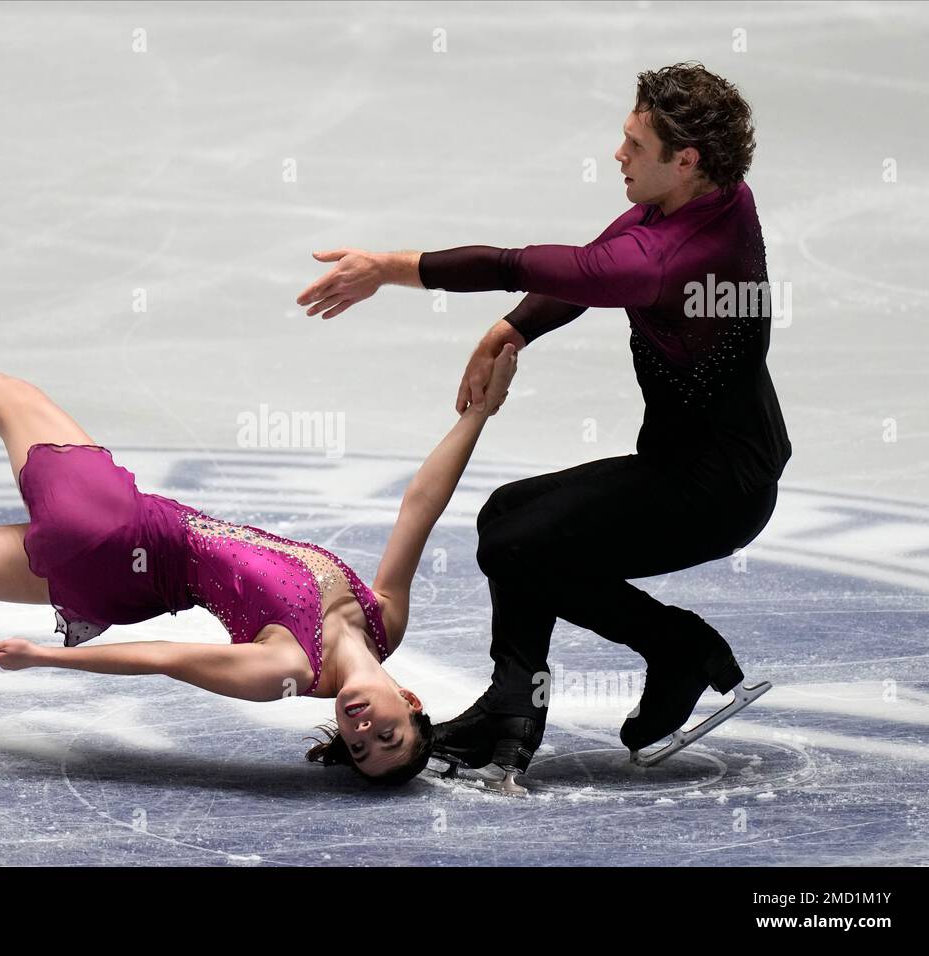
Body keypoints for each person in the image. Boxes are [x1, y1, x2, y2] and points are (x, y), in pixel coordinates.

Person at [0, 237, 519, 787]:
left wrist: (47, 660)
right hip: (129, 575)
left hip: (128, 534)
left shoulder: (287, 671)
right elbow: (420, 505)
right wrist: (474, 420)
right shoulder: (386, 619)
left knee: (16, 400)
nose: (362, 729)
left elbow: (165, 661)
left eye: (359, 749)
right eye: (387, 734)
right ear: (410, 704)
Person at [296, 62, 791, 780]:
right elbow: (593, 269)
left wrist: (386, 268)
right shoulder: (713, 199)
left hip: (716, 491)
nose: (616, 154)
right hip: (701, 463)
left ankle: (662, 651)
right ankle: (515, 702)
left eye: (634, 144)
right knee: (509, 518)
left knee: (522, 544)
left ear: (684, 161)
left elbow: (528, 264)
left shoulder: (670, 257)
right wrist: (513, 331)